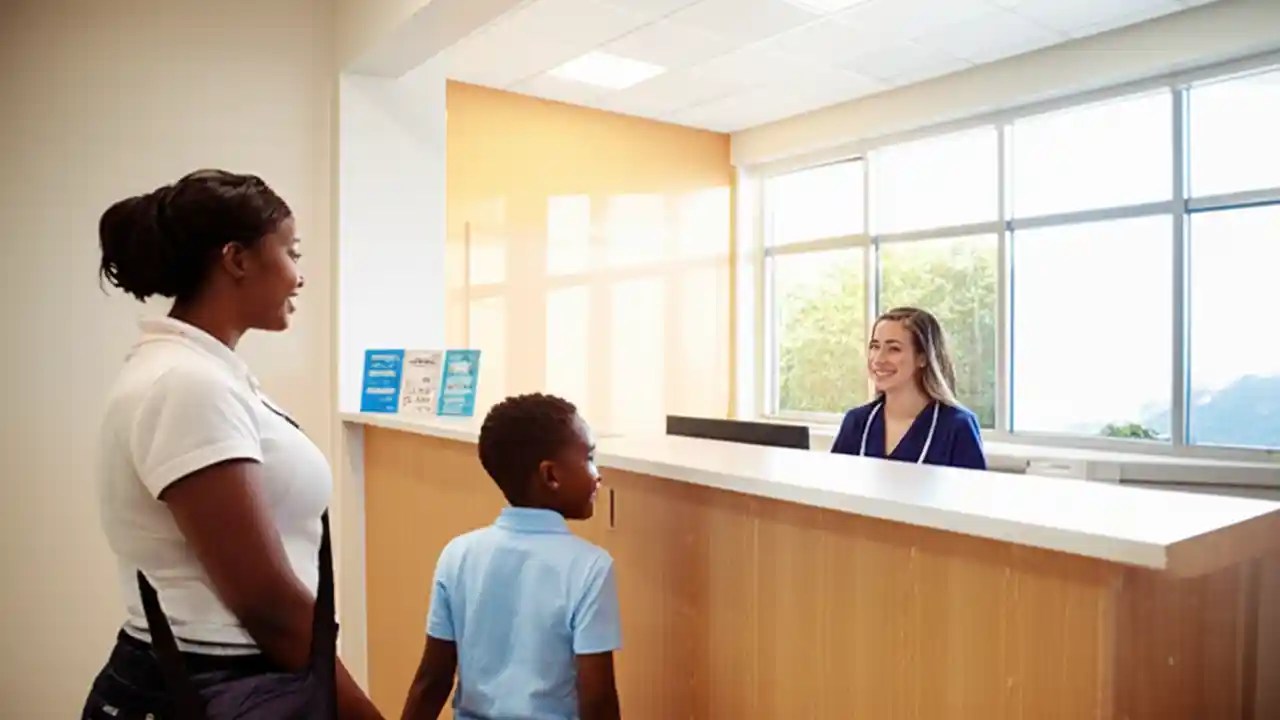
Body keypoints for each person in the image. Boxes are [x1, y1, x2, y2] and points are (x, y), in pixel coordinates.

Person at [83, 170, 382, 719]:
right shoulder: (186, 385)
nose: (299, 277)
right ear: (237, 260)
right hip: (213, 683)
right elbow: (264, 601)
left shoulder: (203, 375)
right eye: (291, 252)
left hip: (230, 676)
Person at [401, 393, 622, 720]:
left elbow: (431, 682)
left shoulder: (458, 554)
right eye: (589, 457)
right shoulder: (589, 567)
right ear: (551, 476)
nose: (597, 474)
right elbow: (598, 701)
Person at [831, 307, 986, 470]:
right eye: (875, 347)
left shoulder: (957, 427)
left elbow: (973, 494)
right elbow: (831, 490)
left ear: (923, 358)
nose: (879, 359)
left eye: (894, 349)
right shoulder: (857, 422)